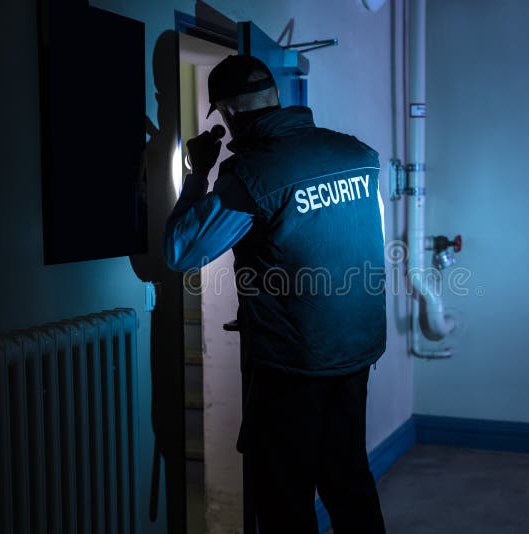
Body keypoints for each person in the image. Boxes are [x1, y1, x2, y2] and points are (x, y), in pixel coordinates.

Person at [164, 54, 387, 533]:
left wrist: (198, 174)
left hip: (292, 364)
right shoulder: (356, 154)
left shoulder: (251, 175)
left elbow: (181, 250)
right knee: (347, 479)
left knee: (283, 497)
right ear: (275, 97)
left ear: (227, 113)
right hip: (353, 352)